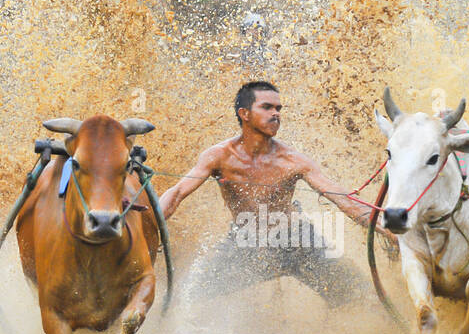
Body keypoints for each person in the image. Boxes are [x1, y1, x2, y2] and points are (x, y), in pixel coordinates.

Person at [157, 81, 386, 306]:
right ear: (244, 113)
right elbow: (176, 193)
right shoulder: (218, 156)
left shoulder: (293, 160)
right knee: (185, 298)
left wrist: (390, 232)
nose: (275, 114)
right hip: (244, 242)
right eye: (267, 107)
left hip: (297, 241)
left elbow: (343, 199)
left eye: (278, 109)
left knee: (363, 296)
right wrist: (149, 223)